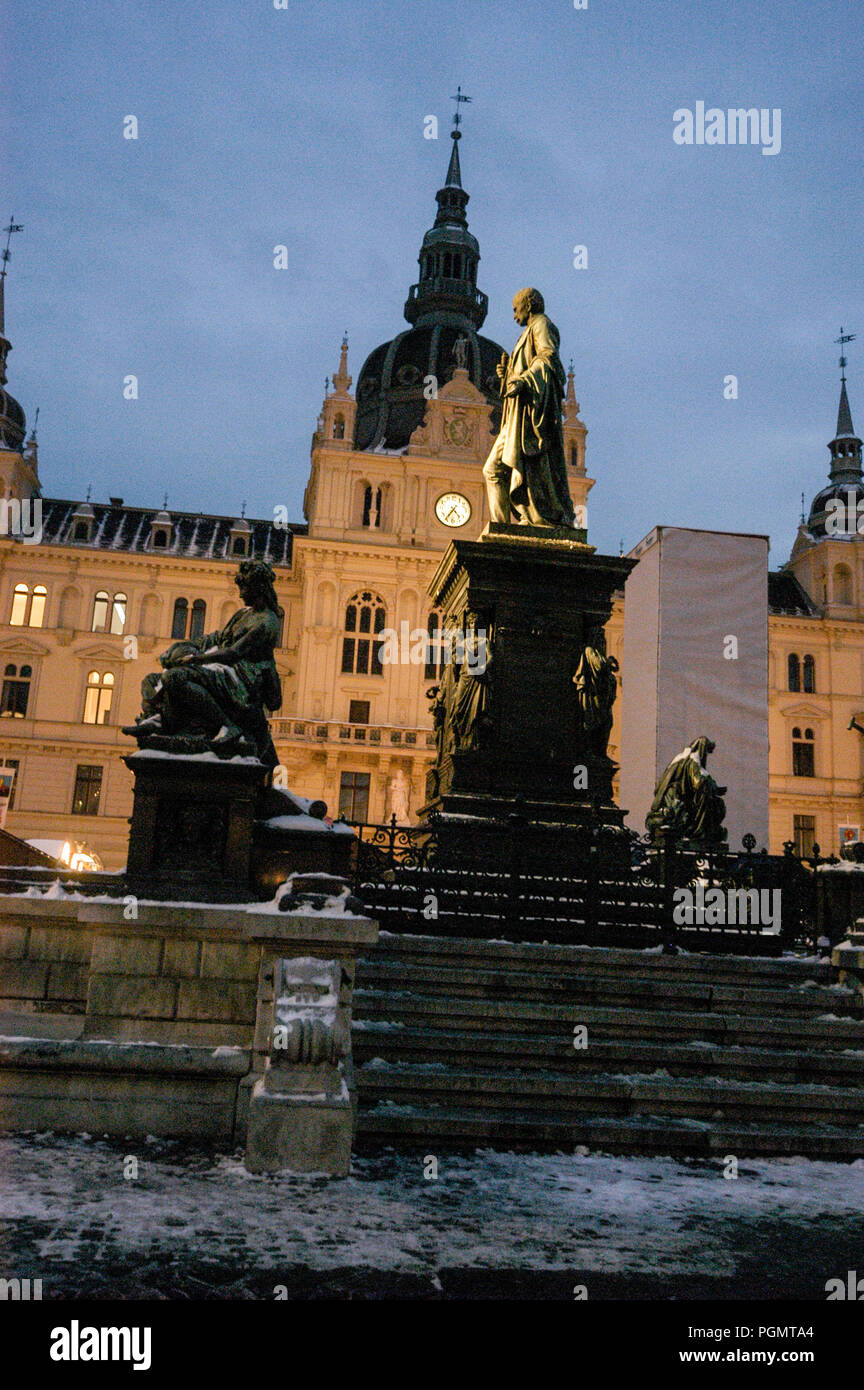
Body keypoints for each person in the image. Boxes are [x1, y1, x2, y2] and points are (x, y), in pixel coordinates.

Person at [123, 558, 282, 766]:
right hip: (223, 670)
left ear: (258, 588)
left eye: (245, 588)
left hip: (242, 679)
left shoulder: (267, 621)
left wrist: (196, 659)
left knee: (176, 677)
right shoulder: (244, 614)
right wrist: (185, 648)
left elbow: (234, 652)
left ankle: (227, 726)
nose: (241, 593)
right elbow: (217, 638)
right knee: (151, 680)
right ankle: (158, 719)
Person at [482, 287, 576, 528]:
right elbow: (526, 368)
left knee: (498, 469)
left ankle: (522, 520)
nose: (514, 315)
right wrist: (507, 375)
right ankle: (502, 528)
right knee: (494, 470)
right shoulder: (527, 332)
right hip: (517, 414)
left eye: (516, 309)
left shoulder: (542, 325)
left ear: (529, 305)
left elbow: (548, 359)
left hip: (529, 413)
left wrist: (523, 380)